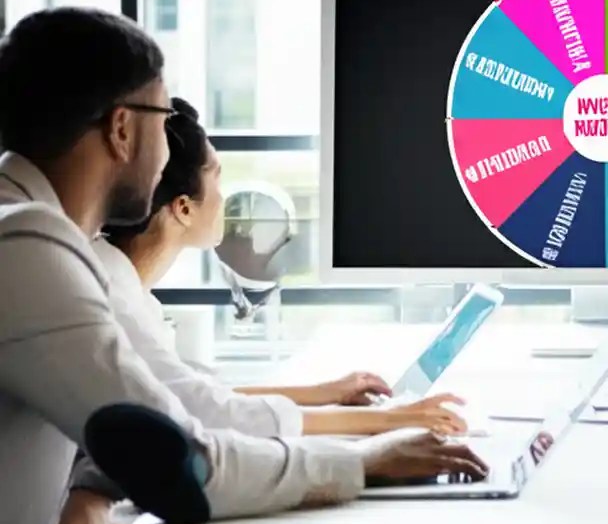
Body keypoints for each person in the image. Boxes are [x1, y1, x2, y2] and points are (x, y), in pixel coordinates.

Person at [0, 8, 487, 524]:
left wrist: (92, 485)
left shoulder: (27, 232)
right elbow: (183, 465)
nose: (166, 152)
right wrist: (364, 461)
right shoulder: (28, 247)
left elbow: (127, 414)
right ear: (121, 129)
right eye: (162, 119)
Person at [83, 97, 467, 439]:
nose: (223, 194)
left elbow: (193, 390)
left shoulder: (125, 284)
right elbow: (202, 411)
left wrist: (322, 393)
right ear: (183, 208)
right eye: (217, 176)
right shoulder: (113, 296)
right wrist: (388, 421)